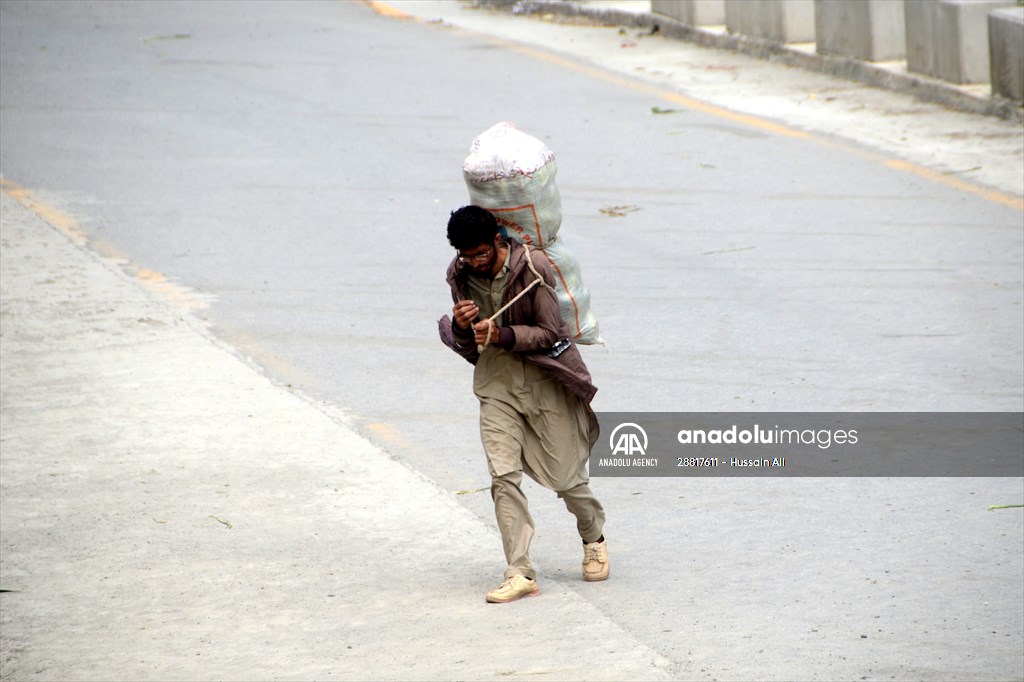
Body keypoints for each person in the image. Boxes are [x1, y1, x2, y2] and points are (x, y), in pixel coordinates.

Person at [438, 205, 608, 604]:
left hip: (544, 380)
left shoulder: (532, 270)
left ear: (498, 241)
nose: (475, 262)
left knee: (568, 481)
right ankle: (519, 571)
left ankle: (593, 535)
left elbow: (551, 332)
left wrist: (501, 334)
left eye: (481, 254)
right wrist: (464, 328)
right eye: (467, 256)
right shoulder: (458, 274)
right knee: (502, 476)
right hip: (496, 384)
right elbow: (467, 346)